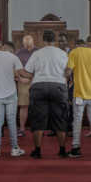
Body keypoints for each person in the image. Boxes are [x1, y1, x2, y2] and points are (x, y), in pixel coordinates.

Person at [17, 30, 70, 159]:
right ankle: (62, 150)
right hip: (58, 86)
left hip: (39, 86)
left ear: (43, 40)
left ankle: (37, 150)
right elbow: (68, 72)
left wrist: (20, 72)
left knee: (38, 119)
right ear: (55, 40)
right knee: (60, 119)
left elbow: (28, 73)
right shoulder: (63, 53)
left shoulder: (37, 54)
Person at [66, 37, 91, 158]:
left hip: (79, 93)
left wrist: (68, 77)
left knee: (77, 121)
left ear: (77, 45)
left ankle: (76, 147)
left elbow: (68, 72)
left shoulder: (74, 52)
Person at [14, 35, 36, 137]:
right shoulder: (18, 53)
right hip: (23, 81)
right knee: (23, 106)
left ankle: (37, 127)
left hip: (36, 80)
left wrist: (32, 79)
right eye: (25, 45)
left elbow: (41, 67)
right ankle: (22, 128)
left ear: (33, 42)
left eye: (29, 45)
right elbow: (14, 67)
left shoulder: (38, 52)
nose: (27, 47)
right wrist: (20, 78)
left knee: (38, 106)